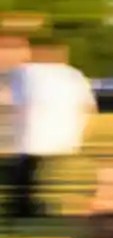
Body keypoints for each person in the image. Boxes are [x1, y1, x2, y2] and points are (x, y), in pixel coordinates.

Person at [7, 43, 95, 220]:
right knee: (30, 174)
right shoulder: (71, 74)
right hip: (56, 135)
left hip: (29, 134)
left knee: (25, 174)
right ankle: (25, 207)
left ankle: (22, 208)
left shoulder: (25, 72)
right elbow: (88, 106)